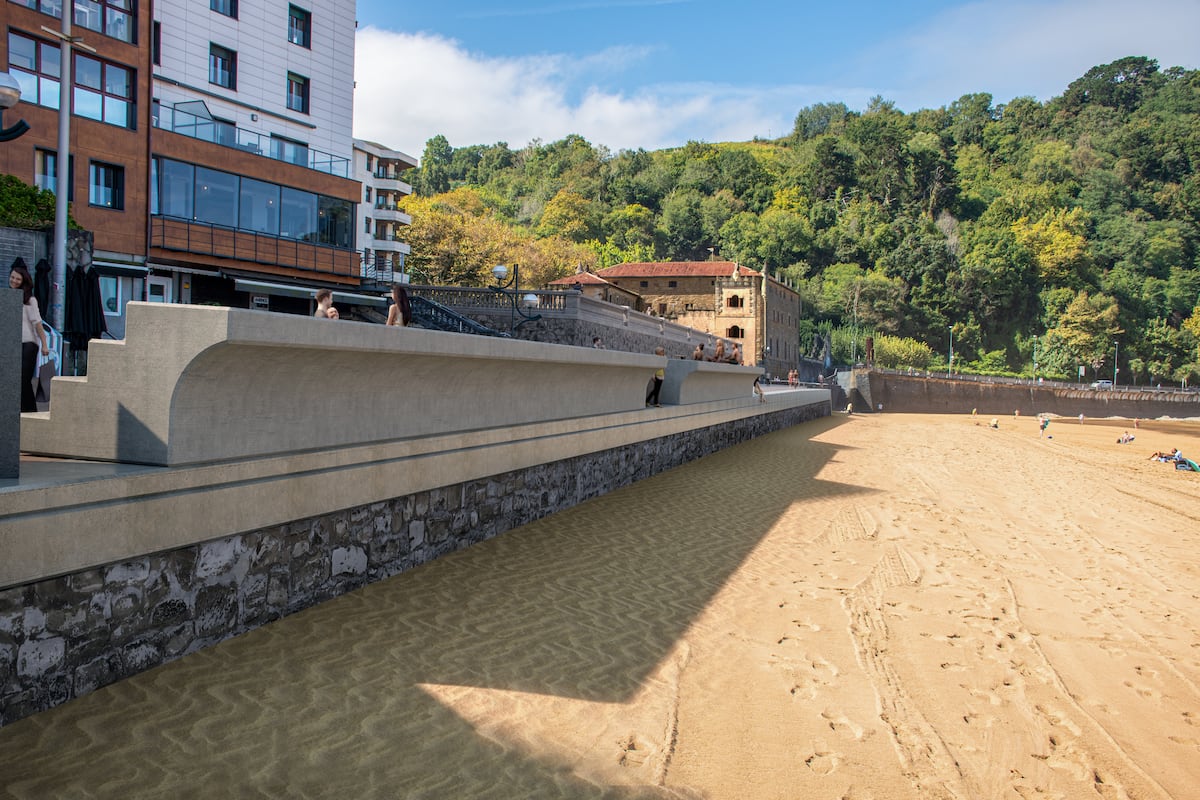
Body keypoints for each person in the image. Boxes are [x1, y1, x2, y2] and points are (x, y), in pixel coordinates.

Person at [11, 263, 50, 413]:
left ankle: (30, 412)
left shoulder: (30, 300)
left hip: (29, 345)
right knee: (19, 381)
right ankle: (24, 411)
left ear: (23, 281)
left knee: (23, 380)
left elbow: (38, 322)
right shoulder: (11, 297)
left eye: (17, 279)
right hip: (15, 345)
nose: (14, 281)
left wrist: (45, 345)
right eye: (12, 277)